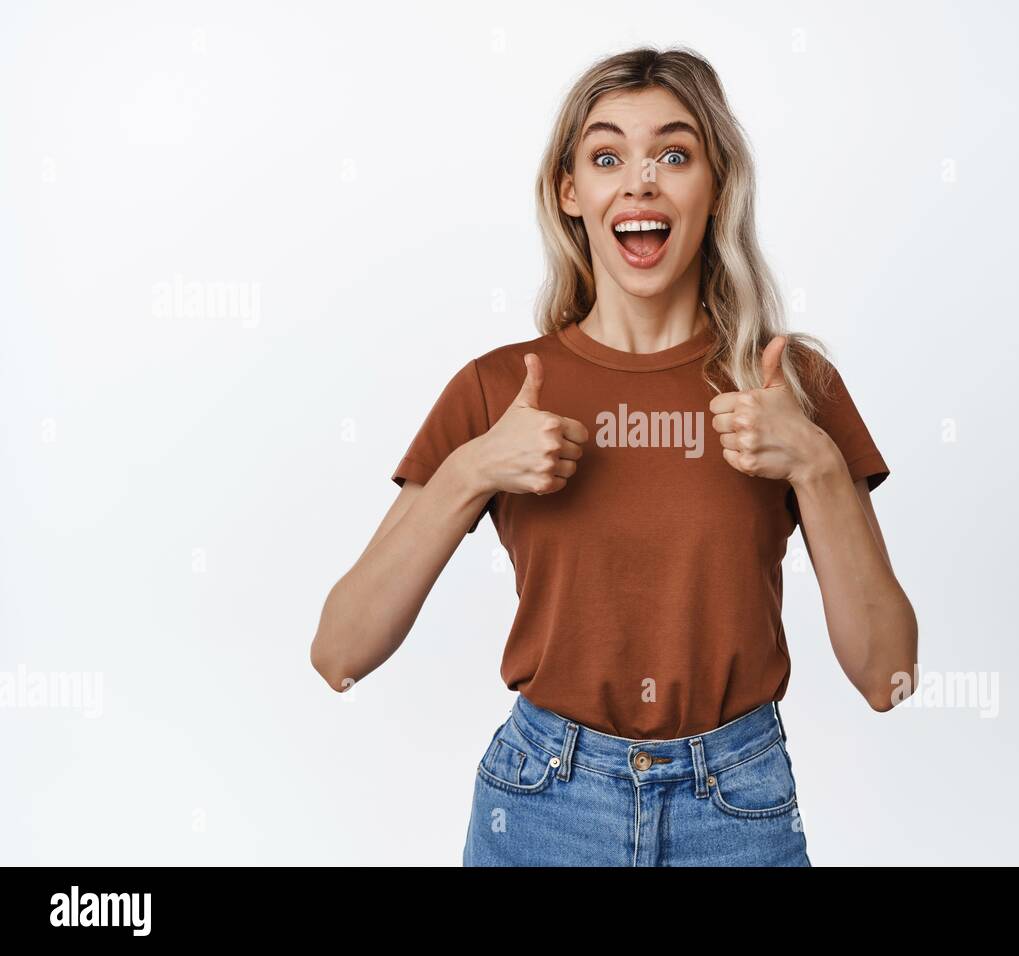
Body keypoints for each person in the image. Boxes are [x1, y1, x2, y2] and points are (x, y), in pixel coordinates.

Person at [311, 45, 918, 866]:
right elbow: (340, 652)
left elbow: (887, 675)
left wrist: (812, 463)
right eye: (606, 157)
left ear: (718, 188)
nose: (640, 183)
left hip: (736, 808)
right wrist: (472, 470)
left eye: (675, 154)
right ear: (572, 193)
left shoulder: (789, 387)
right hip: (540, 805)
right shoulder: (498, 389)